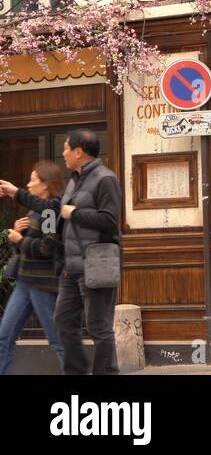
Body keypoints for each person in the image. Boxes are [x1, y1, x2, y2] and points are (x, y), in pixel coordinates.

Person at [1, 129, 122, 375]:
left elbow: (108, 221)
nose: (63, 153)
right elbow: (52, 211)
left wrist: (20, 240)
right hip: (56, 271)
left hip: (72, 272)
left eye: (32, 179)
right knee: (59, 324)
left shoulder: (103, 180)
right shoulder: (69, 187)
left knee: (93, 328)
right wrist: (16, 197)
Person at [0, 160, 66, 374]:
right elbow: (30, 248)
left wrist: (20, 240)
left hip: (42, 284)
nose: (28, 184)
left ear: (45, 184)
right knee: (4, 337)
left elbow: (47, 248)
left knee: (58, 341)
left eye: (33, 180)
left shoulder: (48, 211)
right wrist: (19, 233)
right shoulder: (35, 211)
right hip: (24, 281)